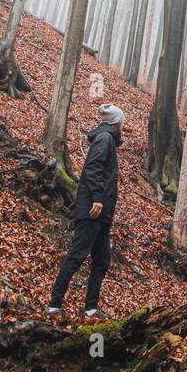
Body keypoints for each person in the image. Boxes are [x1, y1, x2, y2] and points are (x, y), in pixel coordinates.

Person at [46, 103, 124, 320]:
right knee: (77, 255)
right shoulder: (105, 139)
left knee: (102, 260)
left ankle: (90, 309)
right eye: (121, 122)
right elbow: (92, 168)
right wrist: (97, 198)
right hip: (92, 210)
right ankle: (54, 306)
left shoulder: (108, 139)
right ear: (115, 123)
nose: (122, 126)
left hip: (102, 214)